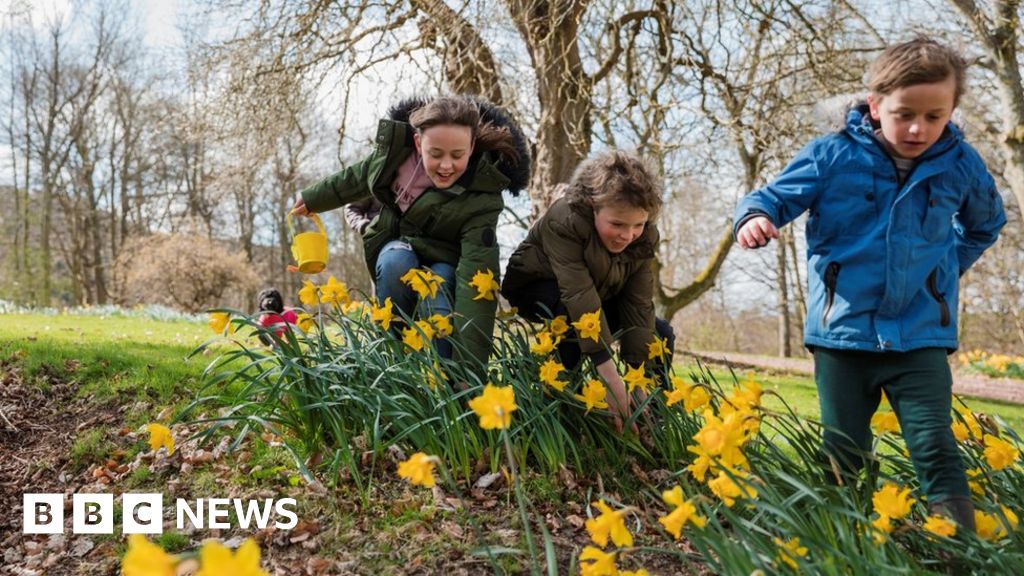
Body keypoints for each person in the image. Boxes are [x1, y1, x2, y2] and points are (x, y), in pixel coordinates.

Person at [733, 36, 1006, 532]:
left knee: (934, 445)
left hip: (919, 337)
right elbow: (772, 198)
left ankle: (960, 554)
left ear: (951, 111)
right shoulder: (831, 156)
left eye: (935, 115)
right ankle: (847, 545)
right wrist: (754, 218)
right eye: (905, 114)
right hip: (843, 337)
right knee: (843, 452)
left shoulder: (961, 165)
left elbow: (986, 224)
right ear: (876, 105)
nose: (919, 128)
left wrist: (942, 274)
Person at [292, 95, 530, 373]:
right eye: (436, 153)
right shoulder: (397, 158)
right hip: (399, 245)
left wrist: (471, 370)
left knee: (438, 303)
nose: (446, 166)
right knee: (396, 262)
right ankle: (396, 362)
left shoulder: (483, 198)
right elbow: (356, 178)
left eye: (457, 155)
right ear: (419, 143)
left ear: (472, 146)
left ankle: (447, 380)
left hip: (448, 260)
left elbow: (477, 284)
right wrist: (312, 199)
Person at [502, 150, 675, 434]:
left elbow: (639, 306)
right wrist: (610, 379)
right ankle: (568, 415)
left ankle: (650, 421)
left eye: (638, 225)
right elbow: (578, 296)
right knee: (570, 319)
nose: (627, 235)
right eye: (617, 224)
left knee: (660, 333)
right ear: (594, 205)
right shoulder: (566, 219)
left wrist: (637, 380)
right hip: (537, 287)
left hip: (597, 292)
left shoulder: (643, 239)